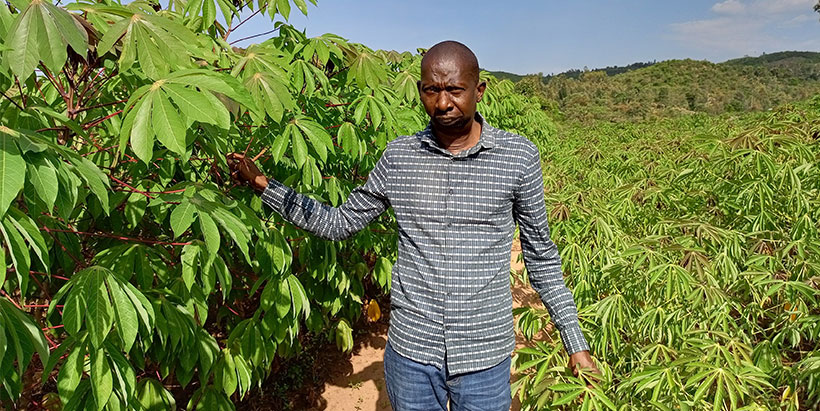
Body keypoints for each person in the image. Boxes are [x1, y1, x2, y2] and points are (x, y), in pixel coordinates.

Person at [228, 40, 598, 411]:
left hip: (484, 355)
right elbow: (339, 222)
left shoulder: (517, 156)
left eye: (455, 90)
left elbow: (540, 256)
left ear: (479, 90)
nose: (443, 102)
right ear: (420, 90)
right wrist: (264, 186)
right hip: (413, 354)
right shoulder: (399, 157)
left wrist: (575, 342)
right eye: (431, 90)